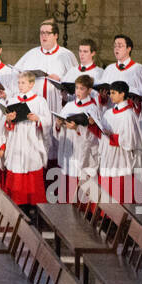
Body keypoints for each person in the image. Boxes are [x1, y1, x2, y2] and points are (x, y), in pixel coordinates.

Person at [3, 71, 51, 206]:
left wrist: (38, 119)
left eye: (23, 83)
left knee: (32, 175)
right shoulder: (13, 100)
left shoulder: (40, 101)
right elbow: (7, 125)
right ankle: (18, 208)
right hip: (17, 140)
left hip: (32, 140)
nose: (20, 85)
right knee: (16, 175)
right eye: (19, 82)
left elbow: (48, 121)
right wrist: (9, 120)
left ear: (31, 84)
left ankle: (35, 209)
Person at [55, 75, 103, 204]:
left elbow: (95, 136)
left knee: (83, 187)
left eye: (82, 89)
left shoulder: (92, 108)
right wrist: (58, 124)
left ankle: (85, 215)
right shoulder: (69, 106)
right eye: (76, 88)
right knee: (68, 183)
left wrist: (77, 129)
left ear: (89, 90)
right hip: (69, 149)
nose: (78, 92)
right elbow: (58, 129)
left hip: (83, 151)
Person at [99, 81, 142, 205]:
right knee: (106, 194)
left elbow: (130, 140)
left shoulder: (129, 115)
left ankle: (119, 221)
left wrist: (111, 136)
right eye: (110, 93)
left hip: (121, 158)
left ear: (122, 94)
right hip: (108, 157)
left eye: (113, 93)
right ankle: (106, 219)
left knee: (119, 194)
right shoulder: (108, 113)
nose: (110, 96)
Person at [15, 20, 78, 89]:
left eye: (47, 33)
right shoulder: (31, 54)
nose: (43, 36)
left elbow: (76, 80)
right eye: (42, 33)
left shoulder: (66, 54)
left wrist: (60, 79)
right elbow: (16, 73)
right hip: (35, 98)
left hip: (58, 98)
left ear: (56, 35)